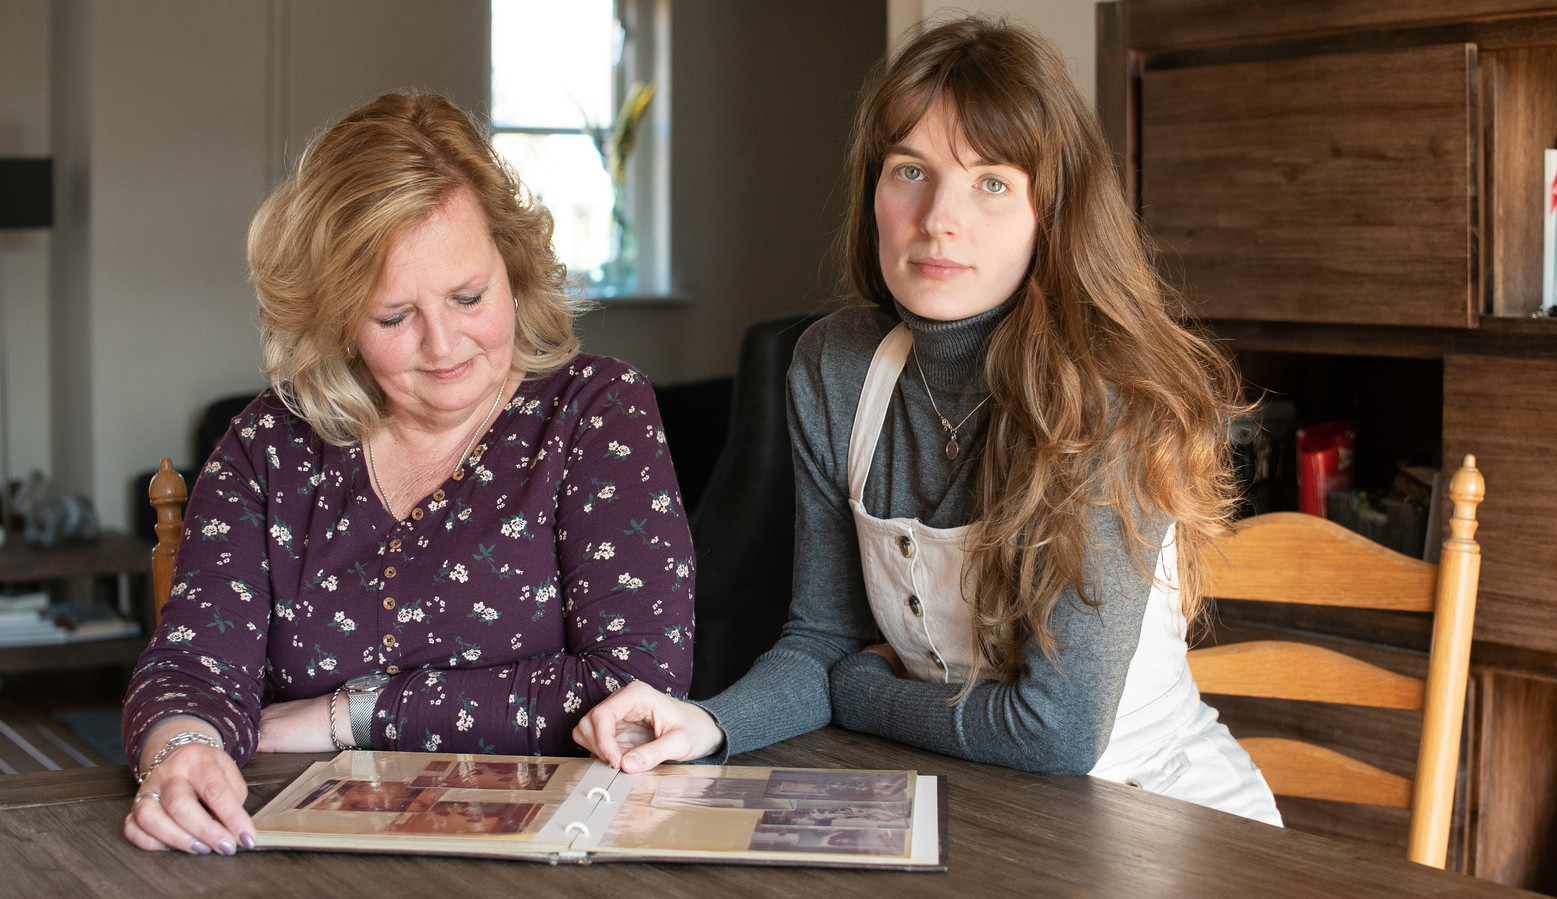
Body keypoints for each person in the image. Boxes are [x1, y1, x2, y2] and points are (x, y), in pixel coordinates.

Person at [574, 17, 1279, 825]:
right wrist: (709, 721)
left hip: (1158, 815)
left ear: (1052, 212)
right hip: (973, 802)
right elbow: (819, 639)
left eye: (991, 182)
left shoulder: (1108, 397)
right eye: (910, 169)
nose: (939, 216)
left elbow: (1058, 732)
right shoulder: (833, 367)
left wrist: (863, 690)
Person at [122, 91, 696, 854]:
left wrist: (347, 714)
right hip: (301, 855)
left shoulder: (595, 412)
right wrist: (181, 749)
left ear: (512, 268)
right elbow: (192, 665)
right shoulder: (270, 445)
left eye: (469, 296)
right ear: (335, 320)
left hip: (554, 854)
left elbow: (635, 690)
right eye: (394, 316)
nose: (444, 343)